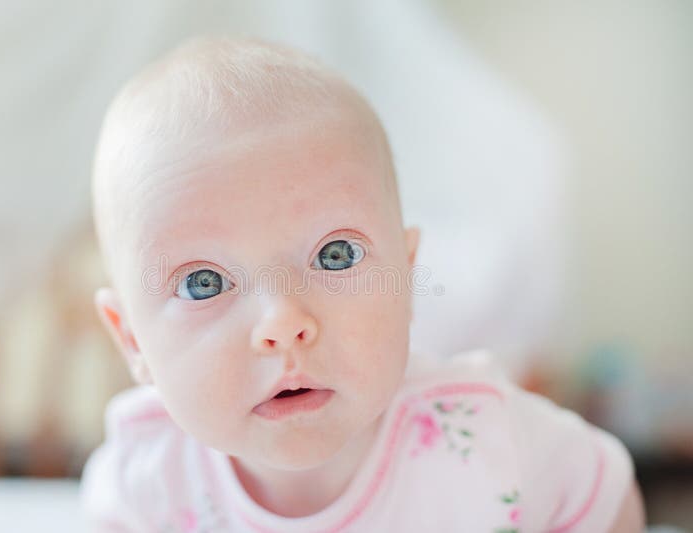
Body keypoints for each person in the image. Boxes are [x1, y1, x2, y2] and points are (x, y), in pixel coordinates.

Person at [81, 36, 644, 532]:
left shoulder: (482, 441)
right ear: (132, 339)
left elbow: (603, 492)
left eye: (336, 255)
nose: (283, 322)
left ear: (406, 273)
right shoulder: (142, 482)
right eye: (203, 283)